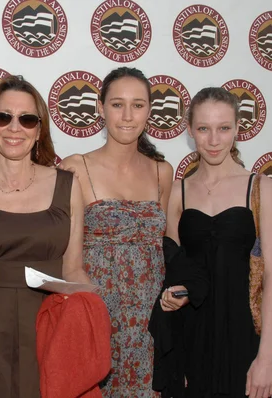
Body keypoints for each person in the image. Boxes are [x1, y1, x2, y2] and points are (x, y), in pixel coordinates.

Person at [0, 75, 90, 398]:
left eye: (27, 119)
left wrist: (94, 314)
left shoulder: (68, 184)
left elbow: (73, 269)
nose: (14, 127)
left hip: (48, 328)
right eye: (2, 117)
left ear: (39, 131)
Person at [160, 87, 272, 398]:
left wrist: (266, 357)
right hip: (190, 335)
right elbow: (175, 269)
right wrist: (175, 294)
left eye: (223, 128)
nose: (214, 140)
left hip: (242, 337)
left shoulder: (260, 187)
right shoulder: (178, 191)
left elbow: (271, 278)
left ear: (237, 130)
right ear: (190, 131)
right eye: (204, 128)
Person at [61, 66, 173, 397]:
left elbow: (167, 250)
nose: (127, 115)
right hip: (97, 320)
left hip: (151, 327)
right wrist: (92, 320)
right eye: (117, 104)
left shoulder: (162, 172)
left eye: (138, 105)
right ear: (100, 107)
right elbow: (69, 258)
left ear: (149, 111)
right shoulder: (75, 167)